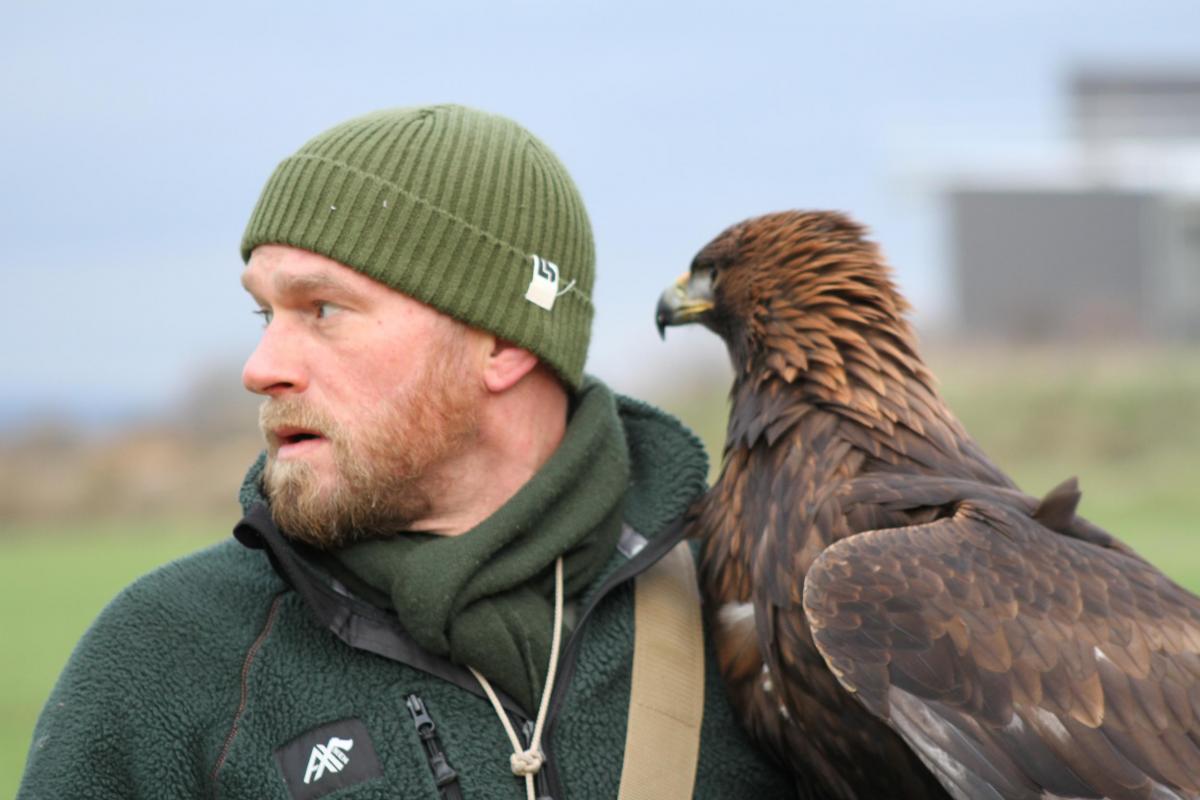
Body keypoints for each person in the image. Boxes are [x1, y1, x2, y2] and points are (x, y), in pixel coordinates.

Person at [18, 105, 793, 799]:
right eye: (266, 312)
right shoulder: (168, 661)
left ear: (502, 344)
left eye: (323, 309)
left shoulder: (771, 611)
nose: (261, 369)